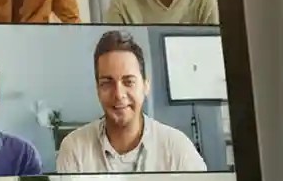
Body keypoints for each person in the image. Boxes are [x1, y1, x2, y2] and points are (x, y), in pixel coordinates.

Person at [55, 30, 207, 173]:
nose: (119, 94)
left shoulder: (177, 148)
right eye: (107, 83)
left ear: (146, 86)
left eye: (128, 82)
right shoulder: (74, 148)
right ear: (97, 89)